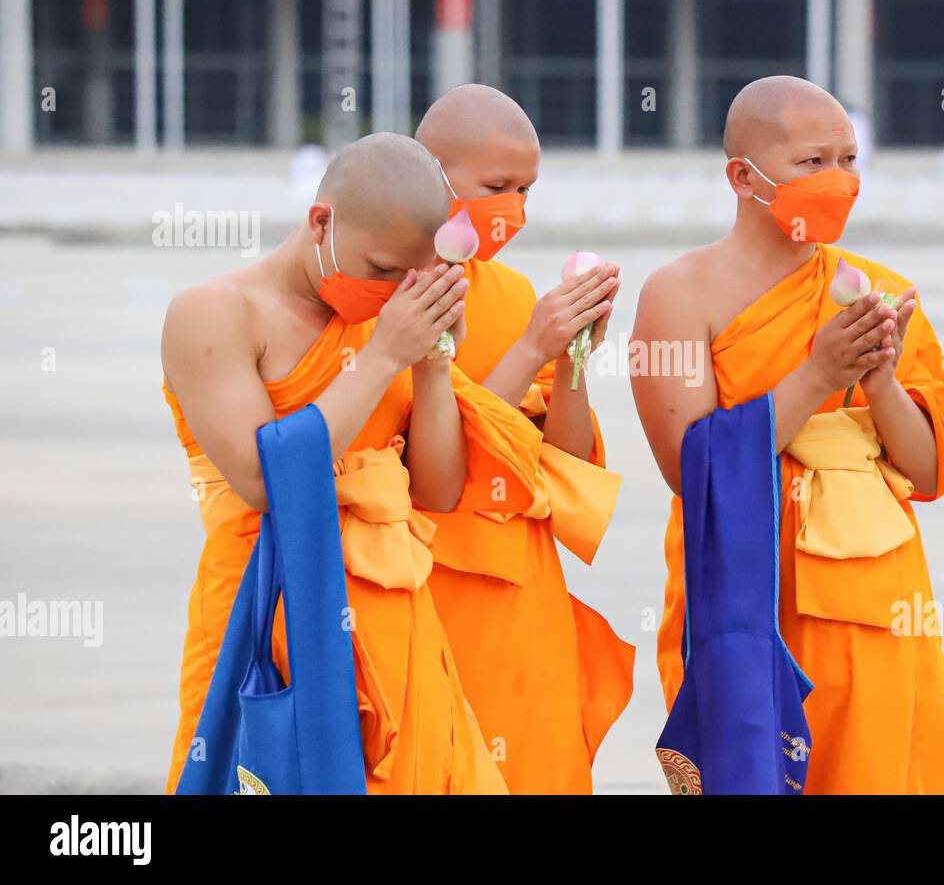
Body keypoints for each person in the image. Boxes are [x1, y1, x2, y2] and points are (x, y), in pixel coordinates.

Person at [631, 76, 944, 794]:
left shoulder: (876, 289)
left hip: (882, 609)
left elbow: (931, 472)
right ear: (743, 177)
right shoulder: (679, 293)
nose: (839, 181)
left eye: (849, 161)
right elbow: (688, 467)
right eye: (813, 163)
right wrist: (818, 376)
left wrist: (877, 380)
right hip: (751, 608)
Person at [161, 132, 525, 794]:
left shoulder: (394, 326)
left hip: (395, 618)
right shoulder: (213, 314)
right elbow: (265, 481)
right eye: (380, 268)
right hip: (260, 607)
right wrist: (385, 354)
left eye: (409, 278)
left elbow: (437, 493)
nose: (390, 292)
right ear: (320, 221)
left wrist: (434, 363)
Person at [411, 85, 634, 794]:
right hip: (437, 579)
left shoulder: (508, 292)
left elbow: (562, 465)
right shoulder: (389, 293)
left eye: (527, 188)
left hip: (526, 588)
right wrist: (533, 344)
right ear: (430, 175)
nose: (514, 207)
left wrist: (570, 358)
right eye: (496, 186)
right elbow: (427, 465)